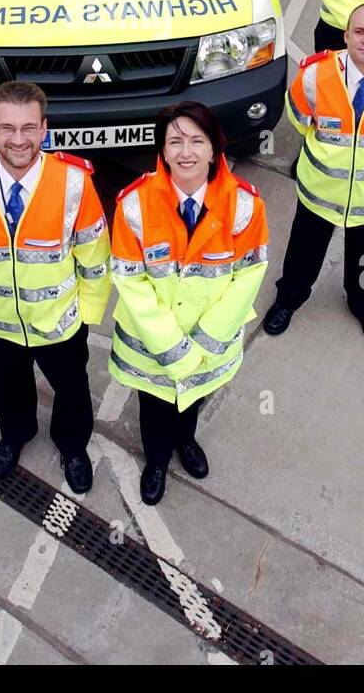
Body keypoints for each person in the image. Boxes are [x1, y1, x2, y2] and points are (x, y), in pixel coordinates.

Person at [0, 82, 111, 493]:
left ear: (45, 129)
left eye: (29, 128)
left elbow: (94, 254)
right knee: (7, 387)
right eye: (9, 129)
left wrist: (88, 314)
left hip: (59, 321)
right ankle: (15, 436)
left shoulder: (74, 182)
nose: (19, 140)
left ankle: (72, 446)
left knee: (71, 390)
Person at [109, 102, 269, 505]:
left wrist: (203, 341)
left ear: (215, 149)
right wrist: (172, 347)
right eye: (175, 141)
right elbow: (130, 282)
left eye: (197, 141)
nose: (186, 152)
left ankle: (187, 440)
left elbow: (248, 276)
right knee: (153, 405)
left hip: (206, 343)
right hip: (152, 346)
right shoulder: (133, 204)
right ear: (162, 151)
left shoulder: (246, 206)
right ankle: (157, 460)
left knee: (194, 396)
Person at [263, 3, 364, 349]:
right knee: (303, 253)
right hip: (320, 190)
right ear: (346, 35)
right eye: (360, 31)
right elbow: (299, 118)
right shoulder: (314, 74)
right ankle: (288, 300)